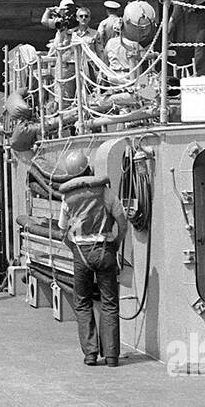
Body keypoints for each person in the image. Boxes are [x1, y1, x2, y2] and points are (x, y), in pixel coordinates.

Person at [56, 150, 129, 367]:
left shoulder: (68, 197)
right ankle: (112, 356)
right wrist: (116, 243)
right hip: (105, 248)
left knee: (82, 303)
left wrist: (74, 249)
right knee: (109, 303)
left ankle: (90, 354)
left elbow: (62, 231)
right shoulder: (105, 193)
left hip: (81, 252)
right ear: (89, 168)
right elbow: (122, 221)